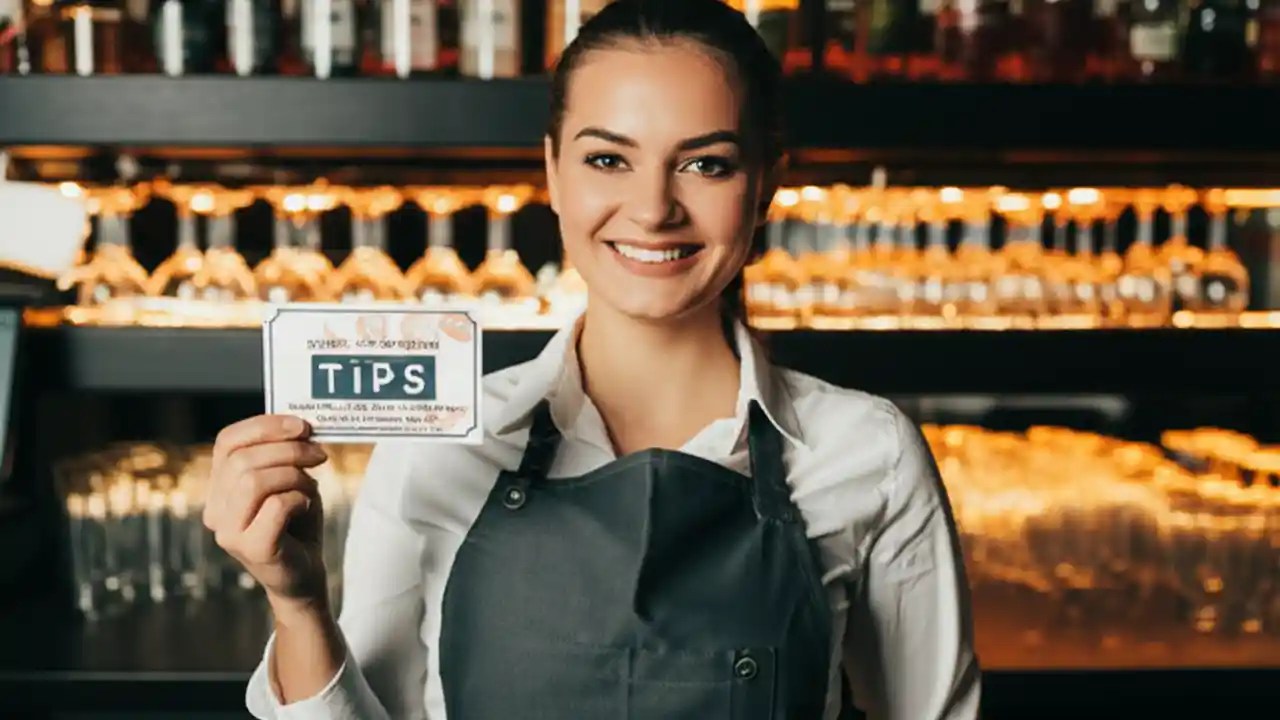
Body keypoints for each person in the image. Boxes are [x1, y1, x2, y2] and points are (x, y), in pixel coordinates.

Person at [203, 1, 981, 718]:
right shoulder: (442, 441)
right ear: (552, 172)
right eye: (609, 160)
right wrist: (297, 602)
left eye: (705, 163)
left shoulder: (865, 453)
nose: (652, 209)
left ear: (768, 183)